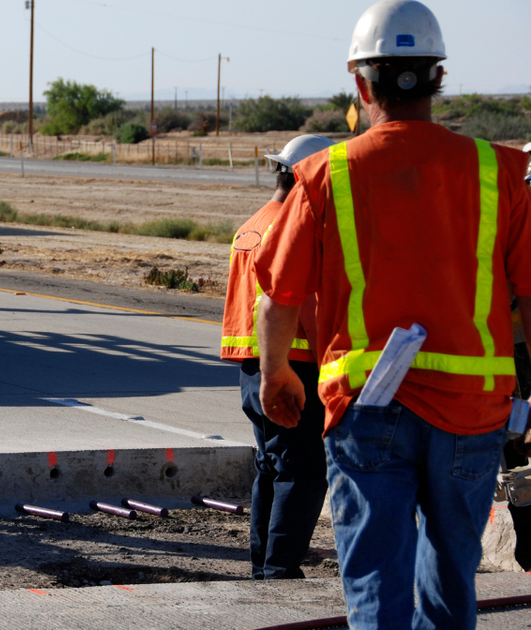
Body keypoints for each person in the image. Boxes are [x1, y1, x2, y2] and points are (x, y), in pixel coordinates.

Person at [253, 1, 531, 627]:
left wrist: (275, 375)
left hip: (369, 408)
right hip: (473, 409)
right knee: (452, 578)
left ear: (360, 82)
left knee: (377, 582)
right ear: (438, 78)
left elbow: (278, 298)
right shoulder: (499, 171)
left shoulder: (326, 173)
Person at [221, 134, 335, 580]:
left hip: (255, 368)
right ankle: (280, 571)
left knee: (271, 468)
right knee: (303, 472)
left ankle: (264, 566)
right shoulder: (294, 226)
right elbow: (300, 303)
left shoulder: (252, 224)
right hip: (296, 368)